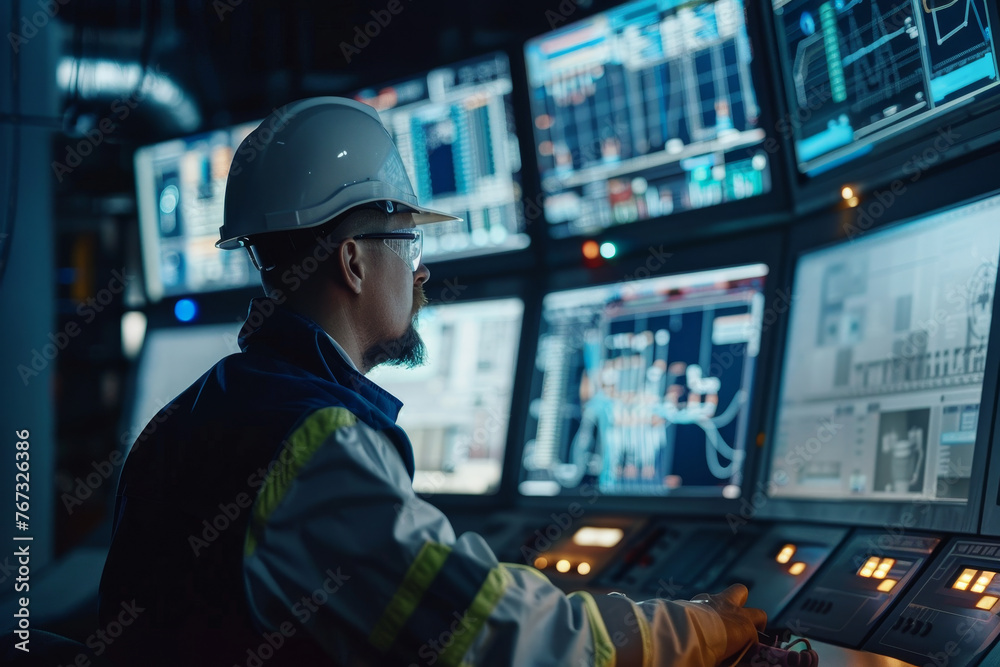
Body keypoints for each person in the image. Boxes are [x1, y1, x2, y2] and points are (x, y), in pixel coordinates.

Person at [99, 97, 766, 666]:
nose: (421, 273)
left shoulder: (187, 416)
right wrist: (695, 630)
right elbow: (491, 635)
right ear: (353, 262)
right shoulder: (312, 448)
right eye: (409, 243)